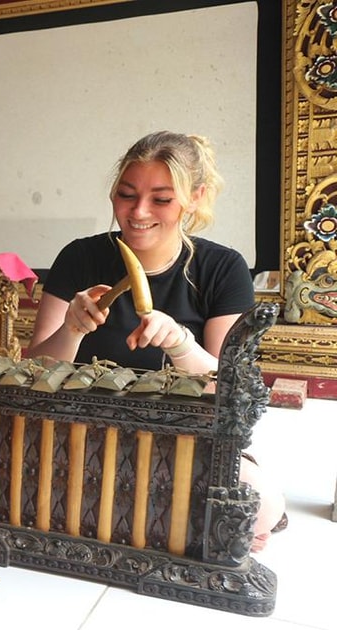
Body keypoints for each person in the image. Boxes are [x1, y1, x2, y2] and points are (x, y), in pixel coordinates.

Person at [27, 130, 285, 551]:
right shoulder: (80, 257)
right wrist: (70, 330)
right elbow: (33, 374)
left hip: (182, 437)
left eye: (161, 199)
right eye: (126, 195)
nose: (139, 212)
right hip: (83, 431)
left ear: (195, 197)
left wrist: (180, 342)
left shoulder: (222, 267)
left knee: (263, 507)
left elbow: (230, 386)